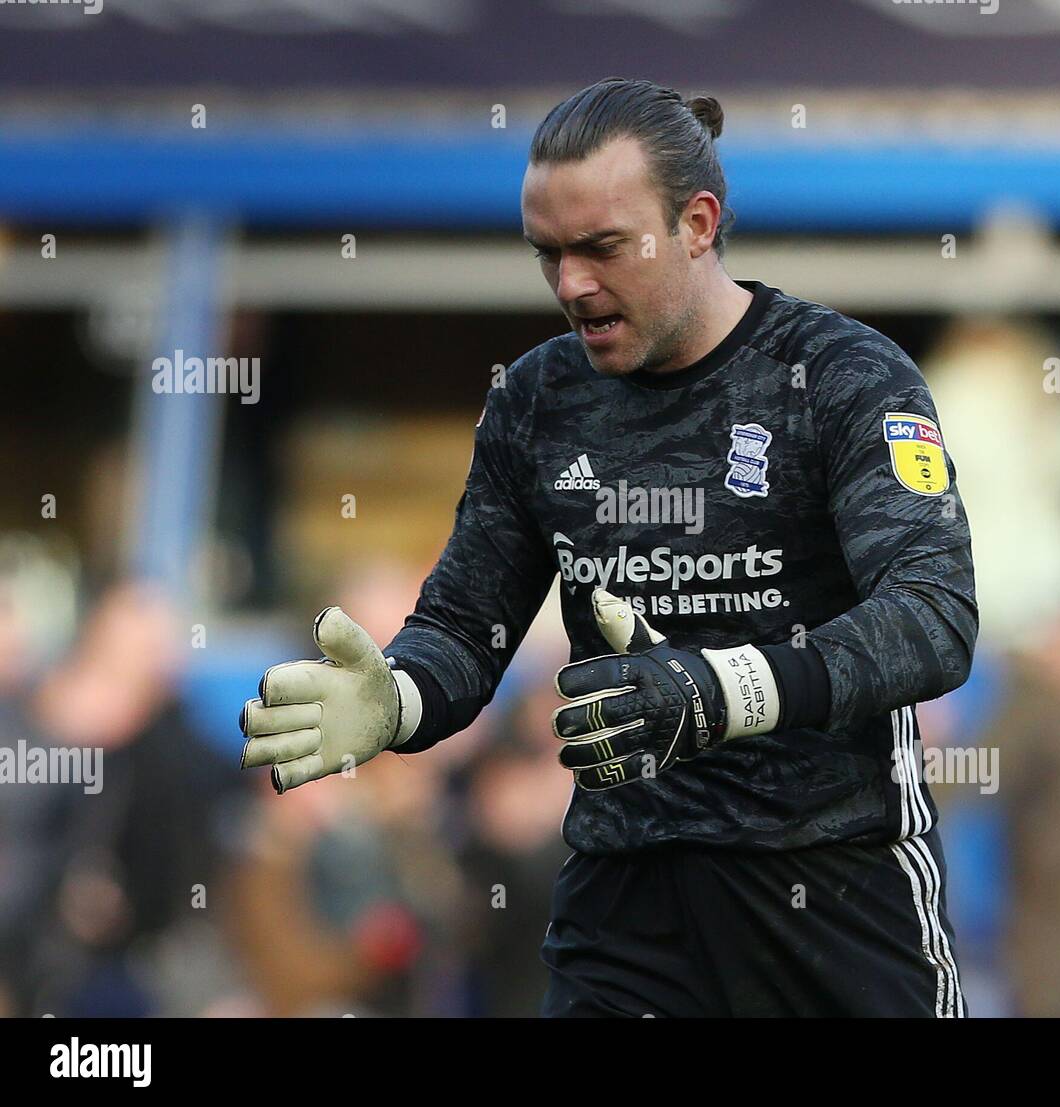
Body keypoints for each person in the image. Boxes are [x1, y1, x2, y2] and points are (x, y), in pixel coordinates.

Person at [240, 77, 978, 1017]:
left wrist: (721, 691)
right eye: (547, 253)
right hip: (626, 901)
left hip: (829, 883)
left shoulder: (842, 377)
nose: (572, 284)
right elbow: (467, 625)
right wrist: (402, 694)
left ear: (699, 223)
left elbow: (933, 617)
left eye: (601, 248)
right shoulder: (537, 401)